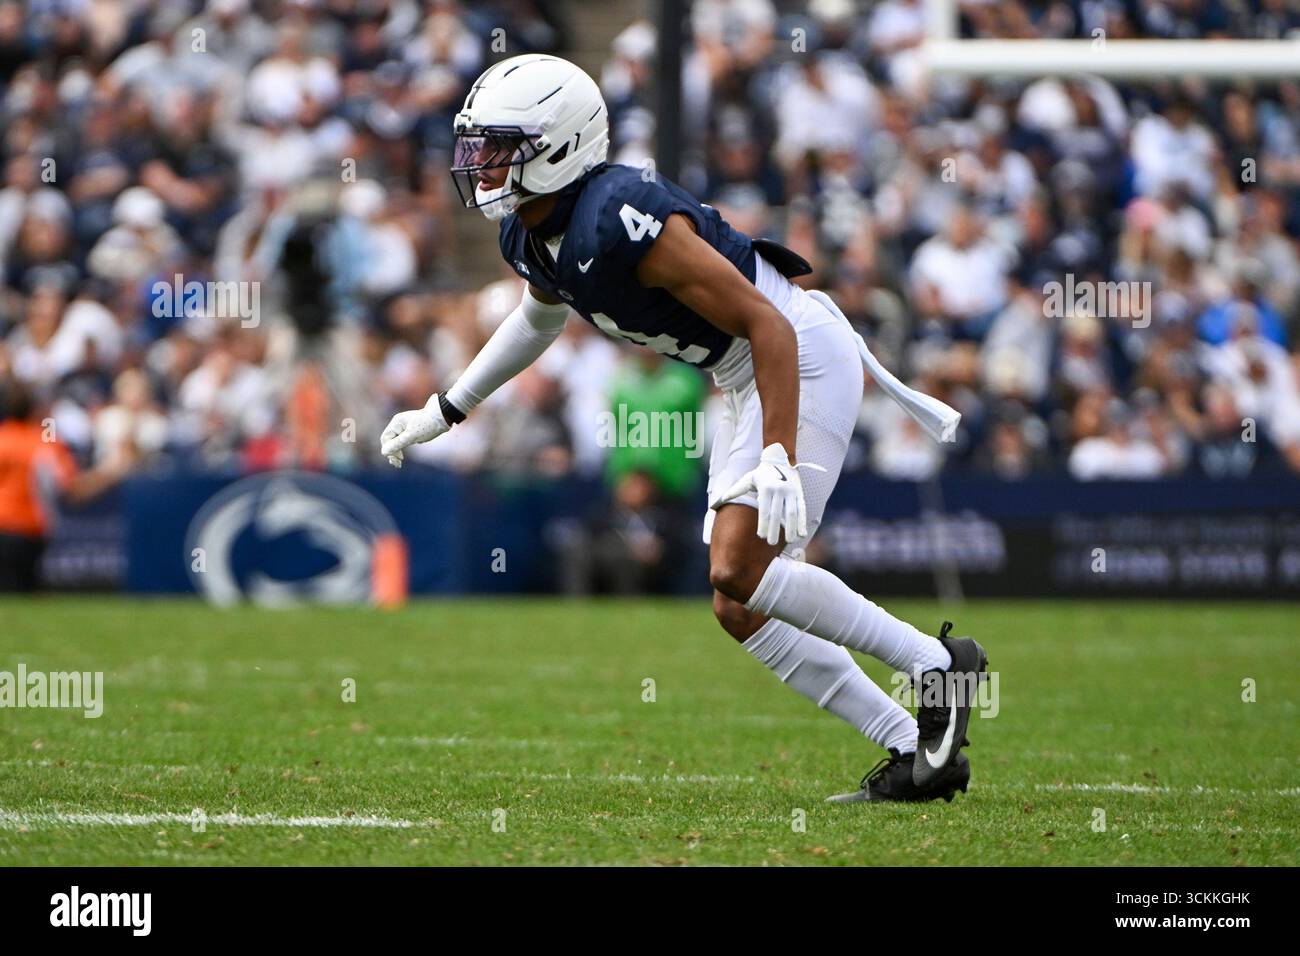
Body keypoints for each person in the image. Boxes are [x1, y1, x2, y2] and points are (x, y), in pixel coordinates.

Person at [380, 55, 987, 803]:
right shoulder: (531, 231)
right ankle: (912, 749)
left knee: (741, 569)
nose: (483, 166)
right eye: (480, 147)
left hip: (795, 353)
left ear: (561, 145)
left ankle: (937, 664)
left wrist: (777, 457)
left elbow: (767, 321)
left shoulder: (621, 216)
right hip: (738, 372)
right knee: (737, 603)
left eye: (502, 146)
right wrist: (448, 408)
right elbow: (539, 319)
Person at [0, 384, 129, 591]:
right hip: (27, 529)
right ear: (36, 410)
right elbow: (73, 489)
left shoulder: (3, 438)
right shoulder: (43, 442)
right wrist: (113, 472)